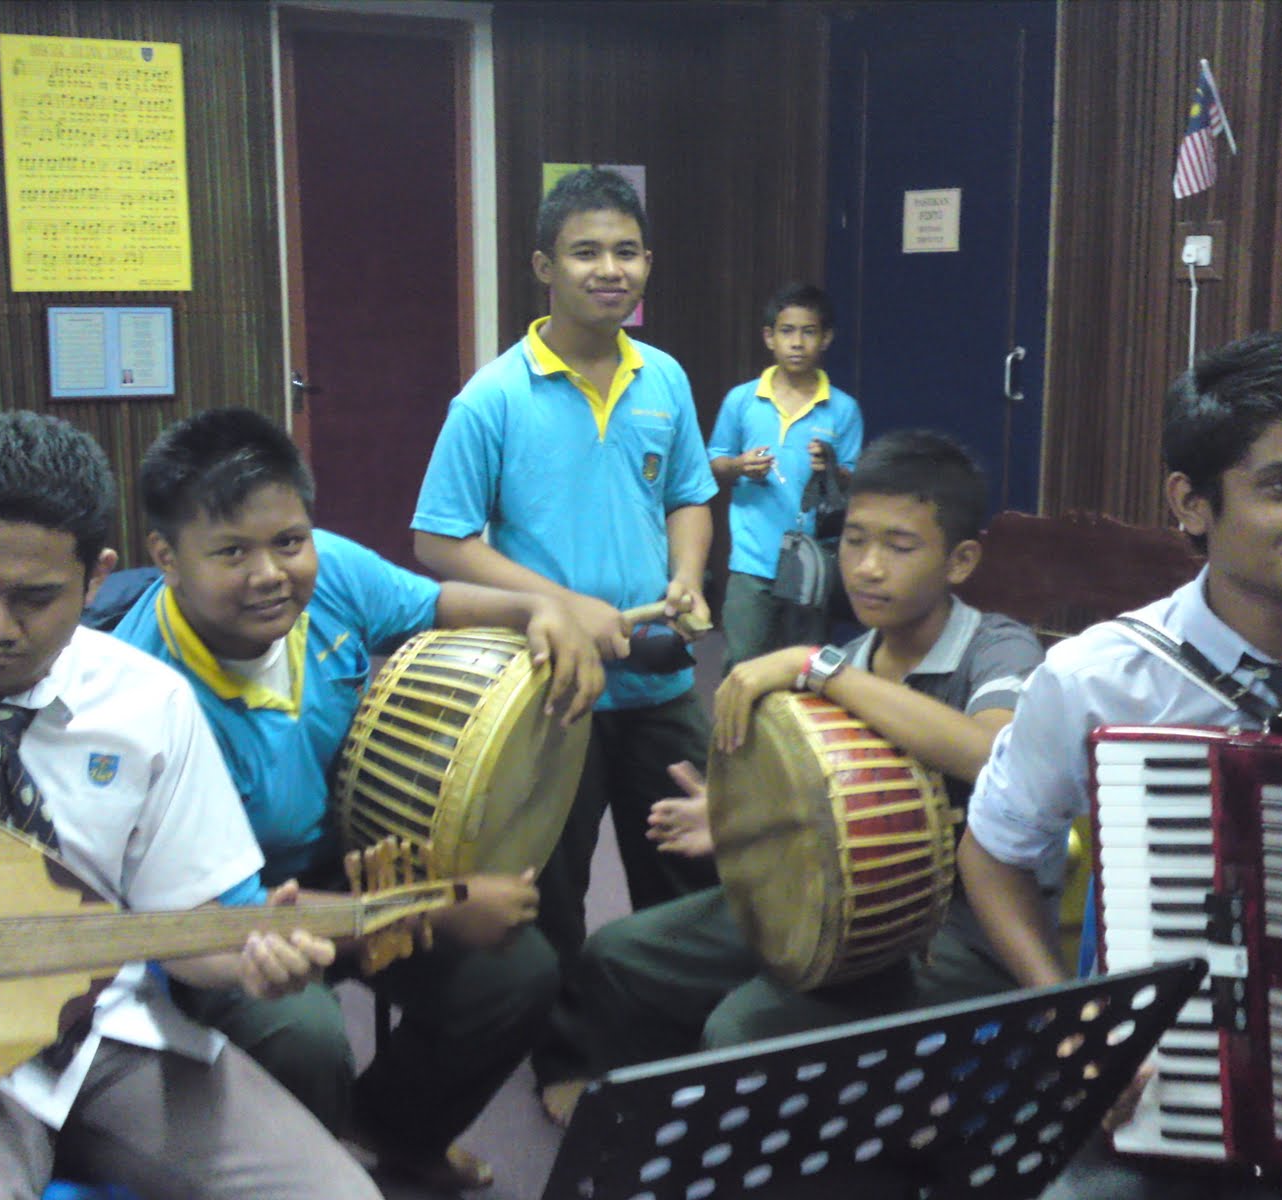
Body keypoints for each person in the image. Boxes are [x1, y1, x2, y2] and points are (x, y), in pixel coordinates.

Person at [0, 411, 379, 1200]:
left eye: (35, 598)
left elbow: (186, 923)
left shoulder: (148, 704)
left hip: (105, 1039)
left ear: (97, 576)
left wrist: (249, 960)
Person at [112, 407, 602, 1192]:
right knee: (302, 1034)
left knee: (519, 971)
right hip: (223, 916)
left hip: (344, 854)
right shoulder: (142, 696)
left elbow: (436, 605)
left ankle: (394, 1131)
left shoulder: (330, 575)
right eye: (231, 551)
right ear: (166, 557)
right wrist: (437, 904)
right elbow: (226, 918)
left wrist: (542, 610)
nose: (270, 573)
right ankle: (296, 1175)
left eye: (288, 541)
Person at [958, 332, 1282, 1169]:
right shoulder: (1097, 678)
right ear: (1191, 503)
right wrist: (1069, 1009)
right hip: (1170, 1088)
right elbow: (994, 850)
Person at [548, 430, 1044, 1120]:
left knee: (742, 1028)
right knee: (620, 955)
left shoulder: (995, 647)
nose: (867, 568)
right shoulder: (854, 659)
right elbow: (830, 807)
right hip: (833, 904)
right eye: (854, 541)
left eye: (900, 547)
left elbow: (992, 753)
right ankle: (656, 1127)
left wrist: (815, 667)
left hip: (950, 933)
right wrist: (742, 823)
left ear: (960, 560)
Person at [410, 167, 719, 964]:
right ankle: (562, 1034)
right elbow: (440, 541)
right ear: (545, 266)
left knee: (692, 876)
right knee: (546, 893)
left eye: (627, 252)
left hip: (659, 682)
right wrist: (562, 605)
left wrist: (687, 573)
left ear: (647, 263)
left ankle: (670, 1026)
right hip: (550, 687)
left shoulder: (665, 378)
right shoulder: (492, 398)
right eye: (586, 253)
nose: (610, 270)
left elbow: (689, 495)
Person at [709, 283, 864, 667]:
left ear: (826, 338)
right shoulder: (742, 400)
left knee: (802, 667)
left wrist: (833, 469)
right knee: (742, 663)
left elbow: (857, 483)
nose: (797, 343)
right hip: (752, 559)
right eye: (787, 331)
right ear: (769, 337)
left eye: (808, 332)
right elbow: (714, 463)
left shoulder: (843, 408)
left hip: (813, 562)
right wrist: (739, 466)